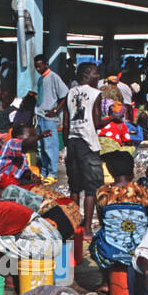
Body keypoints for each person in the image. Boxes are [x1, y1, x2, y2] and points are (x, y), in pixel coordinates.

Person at [91, 151, 148, 271]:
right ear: (132, 173)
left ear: (110, 172)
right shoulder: (144, 193)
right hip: (139, 254)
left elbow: (102, 221)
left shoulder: (103, 193)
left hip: (109, 255)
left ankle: (106, 281)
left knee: (96, 243)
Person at [63, 62, 104, 232]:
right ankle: (87, 229)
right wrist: (113, 118)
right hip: (88, 143)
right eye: (96, 73)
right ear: (87, 74)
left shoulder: (70, 93)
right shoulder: (95, 93)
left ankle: (73, 226)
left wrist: (67, 144)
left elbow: (66, 123)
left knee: (74, 187)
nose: (98, 77)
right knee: (91, 188)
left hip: (72, 142)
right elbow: (96, 123)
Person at [33, 56, 68, 180]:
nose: (38, 68)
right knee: (41, 145)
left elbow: (65, 95)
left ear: (46, 64)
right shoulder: (41, 79)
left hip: (49, 117)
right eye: (36, 66)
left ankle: (52, 173)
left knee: (50, 146)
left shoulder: (54, 77)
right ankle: (44, 171)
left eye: (40, 66)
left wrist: (55, 110)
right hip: (40, 115)